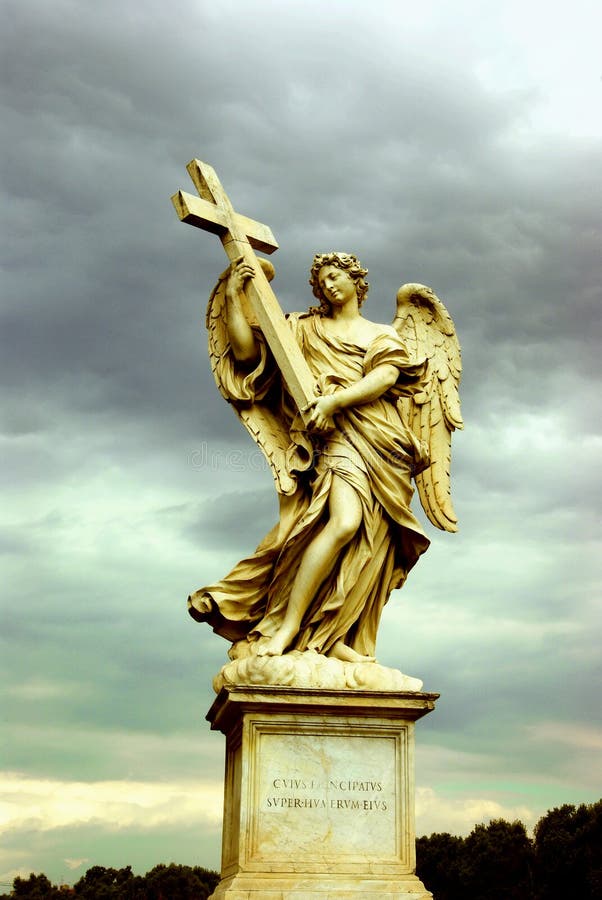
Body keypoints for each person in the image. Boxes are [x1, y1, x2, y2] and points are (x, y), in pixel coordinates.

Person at [188, 252, 431, 662]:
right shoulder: (304, 329)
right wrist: (233, 294)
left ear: (356, 280)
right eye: (321, 283)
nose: (329, 286)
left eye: (336, 277)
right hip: (337, 439)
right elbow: (248, 356)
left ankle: (331, 631)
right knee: (345, 522)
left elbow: (386, 376)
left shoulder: (381, 335)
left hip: (383, 440)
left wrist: (334, 401)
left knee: (369, 543)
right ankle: (286, 628)